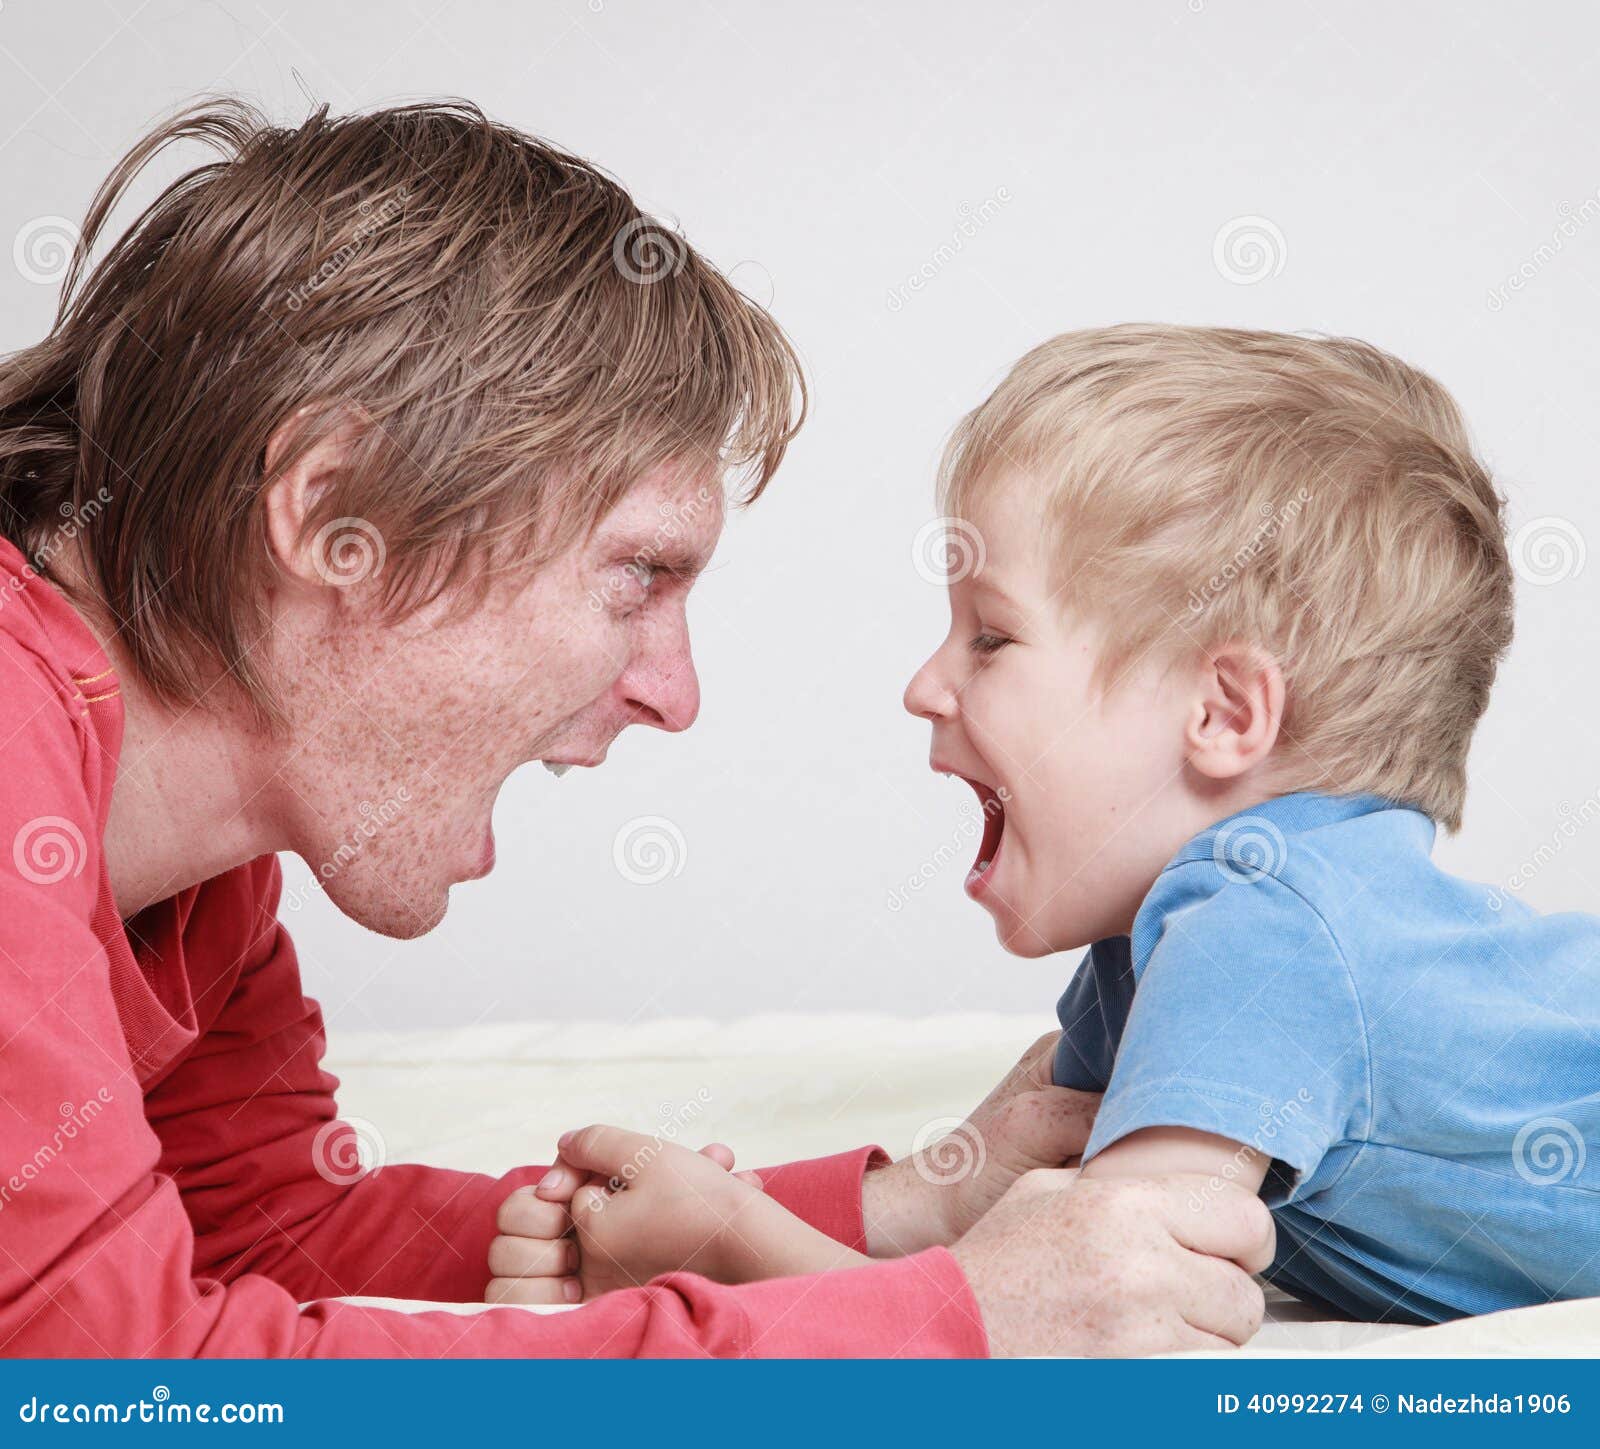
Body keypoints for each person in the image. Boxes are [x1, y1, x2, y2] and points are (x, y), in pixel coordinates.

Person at [0, 104, 1271, 1357]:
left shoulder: (196, 874)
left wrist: (895, 1212)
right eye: (638, 576)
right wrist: (946, 1325)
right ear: (333, 510)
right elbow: (122, 1381)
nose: (675, 692)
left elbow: (261, 1236)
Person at [497, 325, 1595, 1328]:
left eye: (990, 640)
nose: (923, 685)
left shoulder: (1262, 930)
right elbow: (1018, 1277)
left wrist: (730, 1236)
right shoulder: (1150, 945)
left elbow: (1093, 1325)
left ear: (1220, 715)